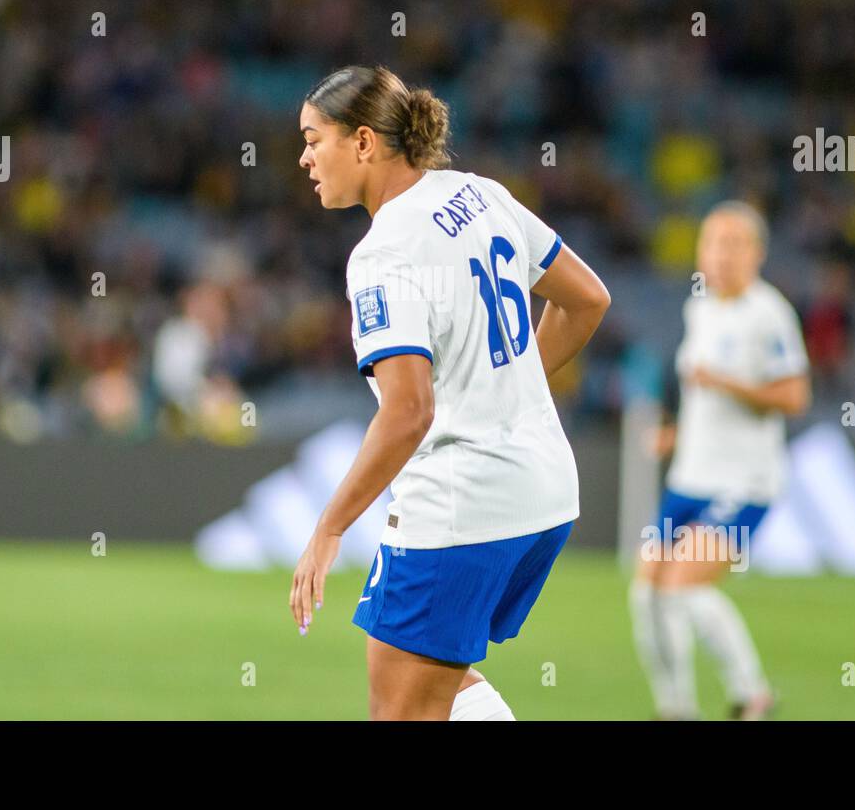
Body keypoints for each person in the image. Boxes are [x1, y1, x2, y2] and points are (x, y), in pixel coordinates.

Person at [289, 64, 610, 720]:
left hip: (463, 506)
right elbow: (587, 299)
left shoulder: (382, 255)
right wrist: (505, 387)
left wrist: (329, 526)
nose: (304, 157)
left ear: (362, 143)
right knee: (442, 683)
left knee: (401, 714)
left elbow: (408, 413)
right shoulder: (479, 194)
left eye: (312, 138)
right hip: (544, 493)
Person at [631, 201, 811, 720]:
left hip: (745, 482)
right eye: (713, 242)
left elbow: (795, 396)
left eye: (735, 244)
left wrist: (730, 384)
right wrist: (675, 434)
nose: (722, 254)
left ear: (757, 253)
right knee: (648, 594)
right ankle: (676, 708)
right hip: (690, 476)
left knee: (683, 588)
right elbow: (701, 397)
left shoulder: (769, 312)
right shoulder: (700, 308)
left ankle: (751, 693)